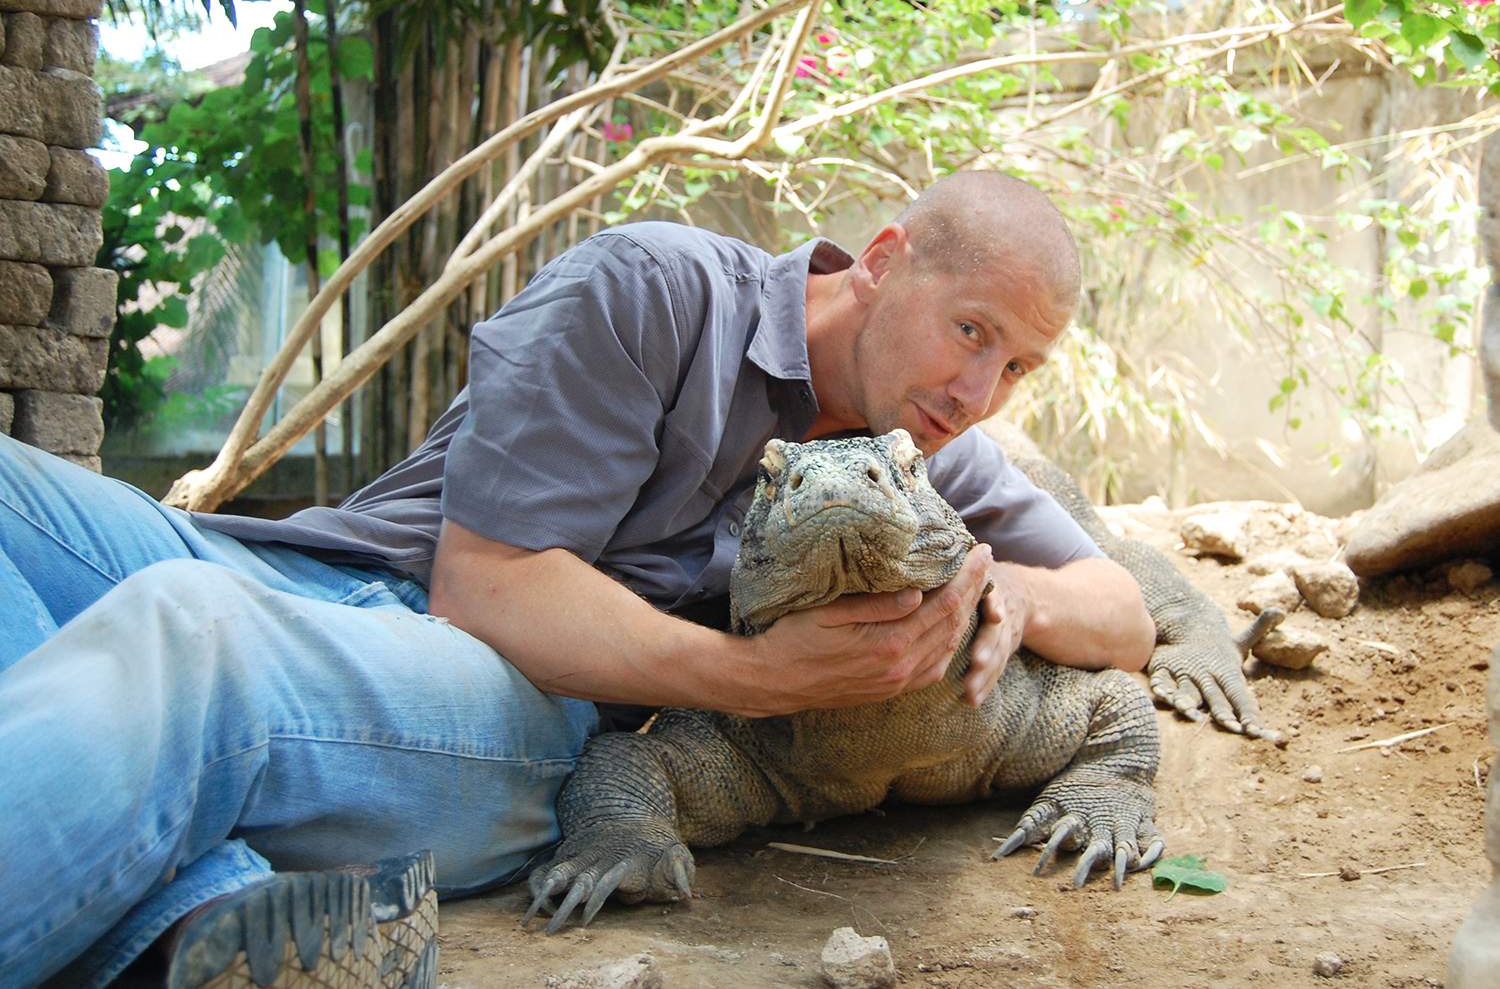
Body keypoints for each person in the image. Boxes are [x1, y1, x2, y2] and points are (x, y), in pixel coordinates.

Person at [0, 170, 1154, 987]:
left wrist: (1012, 589)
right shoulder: (656, 287)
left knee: (187, 640)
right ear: (886, 259)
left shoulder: (926, 453)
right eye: (971, 331)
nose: (980, 392)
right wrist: (762, 677)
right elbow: (491, 576)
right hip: (327, 574)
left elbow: (1124, 613)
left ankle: (145, 847)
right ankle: (194, 907)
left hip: (499, 693)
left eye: (1019, 366)